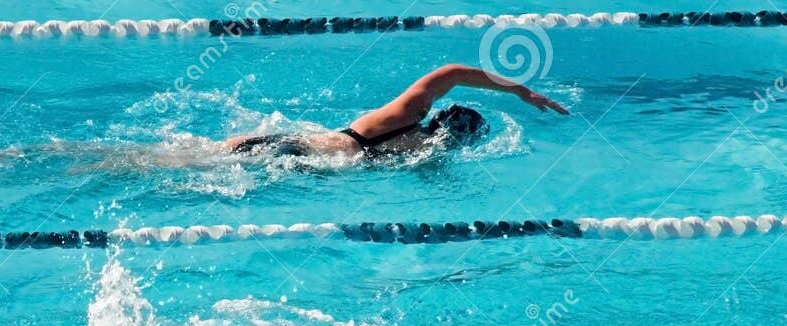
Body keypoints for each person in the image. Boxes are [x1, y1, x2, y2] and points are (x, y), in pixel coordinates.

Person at [220, 63, 567, 162]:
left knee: (192, 157)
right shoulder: (413, 133)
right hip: (297, 155)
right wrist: (522, 90)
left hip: (298, 149)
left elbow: (452, 76)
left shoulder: (414, 126)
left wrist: (520, 90)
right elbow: (451, 72)